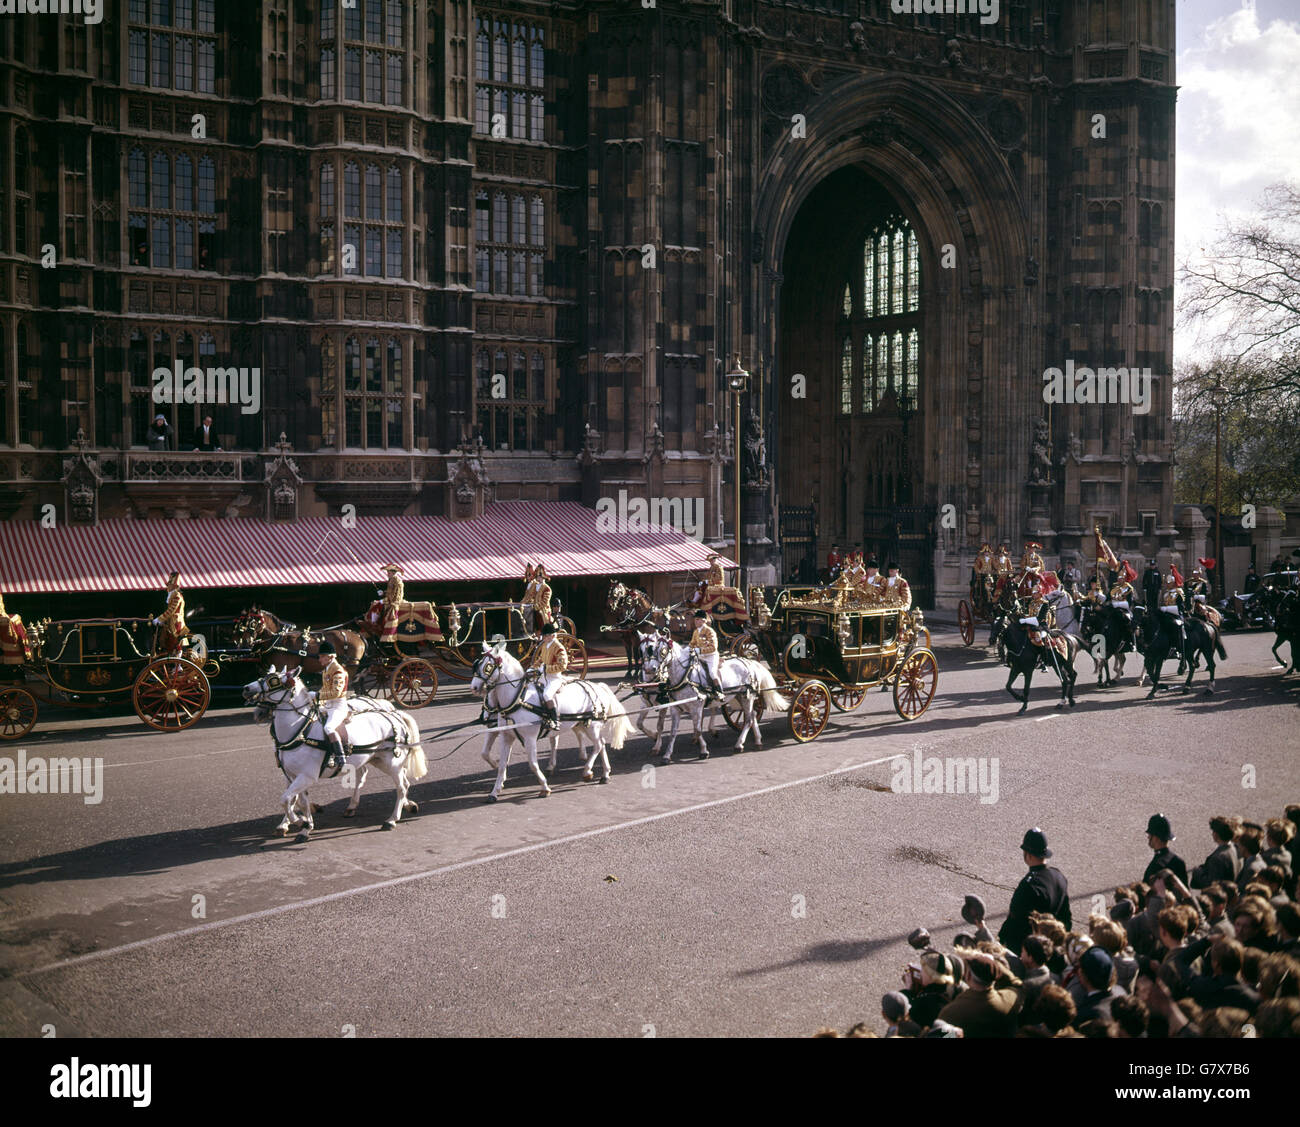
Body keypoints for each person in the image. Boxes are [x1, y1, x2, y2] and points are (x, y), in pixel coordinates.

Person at [999, 827, 1072, 954]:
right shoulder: (1059, 876)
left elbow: (1014, 924)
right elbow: (1066, 917)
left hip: (1033, 952)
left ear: (1028, 854)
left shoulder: (1028, 886)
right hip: (1054, 946)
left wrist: (1001, 942)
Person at [315, 641, 350, 772]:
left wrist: (317, 696)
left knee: (329, 727)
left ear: (330, 656)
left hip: (338, 706)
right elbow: (325, 688)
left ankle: (340, 756)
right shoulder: (327, 670)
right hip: (328, 705)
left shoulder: (338, 671)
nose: (319, 659)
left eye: (321, 656)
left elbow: (336, 692)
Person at [532, 621, 569, 735]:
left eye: (546, 635)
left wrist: (545, 669)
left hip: (555, 678)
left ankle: (555, 720)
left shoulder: (559, 647)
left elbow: (562, 666)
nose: (544, 637)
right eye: (544, 636)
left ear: (552, 635)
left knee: (547, 694)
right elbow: (540, 659)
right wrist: (533, 668)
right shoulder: (545, 645)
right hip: (544, 676)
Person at [1190, 816, 1242, 888]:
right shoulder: (1236, 849)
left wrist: (1197, 872)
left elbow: (1211, 884)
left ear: (1216, 834)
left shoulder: (1218, 858)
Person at [1144, 814, 1189, 885]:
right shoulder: (1179, 862)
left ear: (1156, 837)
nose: (1148, 837)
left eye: (1150, 834)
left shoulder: (1155, 866)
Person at [152, 571, 188, 655]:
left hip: (176, 624)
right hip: (170, 623)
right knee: (167, 643)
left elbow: (171, 610)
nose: (168, 587)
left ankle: (178, 665)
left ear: (175, 586)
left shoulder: (177, 596)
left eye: (170, 585)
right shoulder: (172, 595)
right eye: (168, 585)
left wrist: (159, 619)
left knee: (175, 644)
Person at [690, 609, 721, 700]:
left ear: (704, 620)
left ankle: (720, 692)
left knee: (712, 673)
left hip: (711, 656)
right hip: (700, 657)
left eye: (698, 619)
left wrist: (699, 651)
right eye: (695, 619)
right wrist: (687, 649)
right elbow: (692, 643)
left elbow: (713, 647)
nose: (695, 621)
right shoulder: (696, 631)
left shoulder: (710, 631)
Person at [378, 564, 405, 644]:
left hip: (394, 602)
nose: (387, 574)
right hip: (391, 600)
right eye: (387, 572)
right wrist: (383, 592)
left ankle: (387, 630)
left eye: (389, 572)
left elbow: (395, 595)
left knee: (377, 607)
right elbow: (390, 592)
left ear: (393, 573)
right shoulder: (392, 580)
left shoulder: (395, 580)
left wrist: (385, 600)